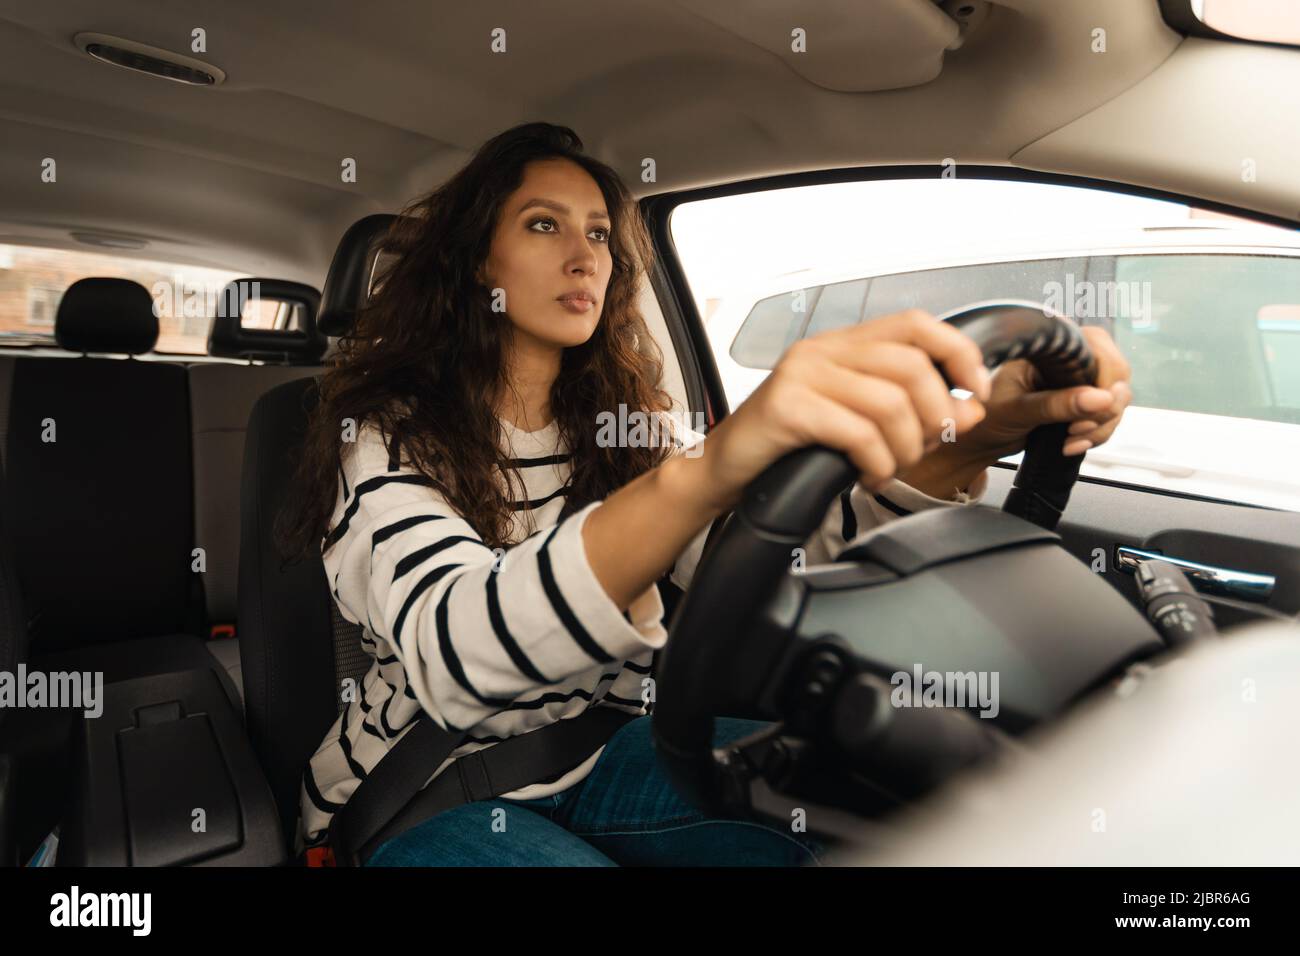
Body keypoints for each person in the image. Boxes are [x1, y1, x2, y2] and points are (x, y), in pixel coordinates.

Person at [275, 122, 1132, 866]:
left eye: (602, 236)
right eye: (544, 226)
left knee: (902, 805)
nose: (586, 257)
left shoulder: (630, 428)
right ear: (473, 265)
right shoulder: (382, 435)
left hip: (617, 753)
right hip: (435, 788)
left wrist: (972, 438)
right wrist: (714, 462)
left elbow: (795, 541)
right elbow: (457, 649)